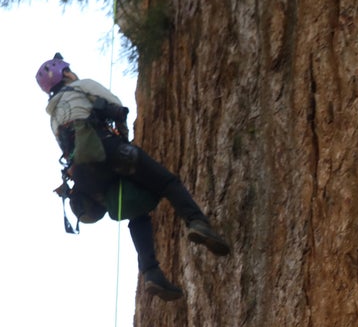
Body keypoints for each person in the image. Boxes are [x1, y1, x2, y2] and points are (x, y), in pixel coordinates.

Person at [37, 54, 231, 301]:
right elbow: (116, 106)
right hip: (110, 151)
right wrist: (123, 138)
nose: (72, 73)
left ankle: (151, 273)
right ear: (65, 74)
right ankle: (197, 222)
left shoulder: (53, 118)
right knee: (167, 182)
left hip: (87, 177)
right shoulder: (81, 86)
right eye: (69, 70)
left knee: (136, 211)